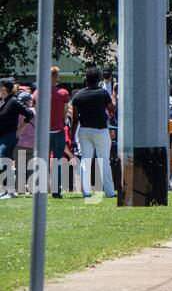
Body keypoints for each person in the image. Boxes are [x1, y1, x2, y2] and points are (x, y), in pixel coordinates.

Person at [70, 68, 115, 198]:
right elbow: (112, 110)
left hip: (84, 130)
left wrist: (73, 137)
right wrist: (113, 97)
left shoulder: (78, 95)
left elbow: (75, 118)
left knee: (85, 160)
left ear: (86, 79)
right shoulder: (103, 93)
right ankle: (110, 192)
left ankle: (87, 192)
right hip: (100, 130)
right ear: (98, 79)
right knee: (104, 161)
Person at [34, 67, 72, 197]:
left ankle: (41, 189)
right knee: (57, 162)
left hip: (43, 132)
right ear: (56, 78)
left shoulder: (38, 93)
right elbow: (65, 112)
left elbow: (36, 112)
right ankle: (56, 191)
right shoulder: (63, 93)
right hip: (58, 131)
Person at [0, 79, 34, 200]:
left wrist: (19, 129)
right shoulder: (2, 101)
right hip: (1, 136)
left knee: (3, 158)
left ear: (4, 89)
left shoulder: (13, 101)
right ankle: (6, 191)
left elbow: (29, 114)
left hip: (9, 136)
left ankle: (10, 192)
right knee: (4, 161)